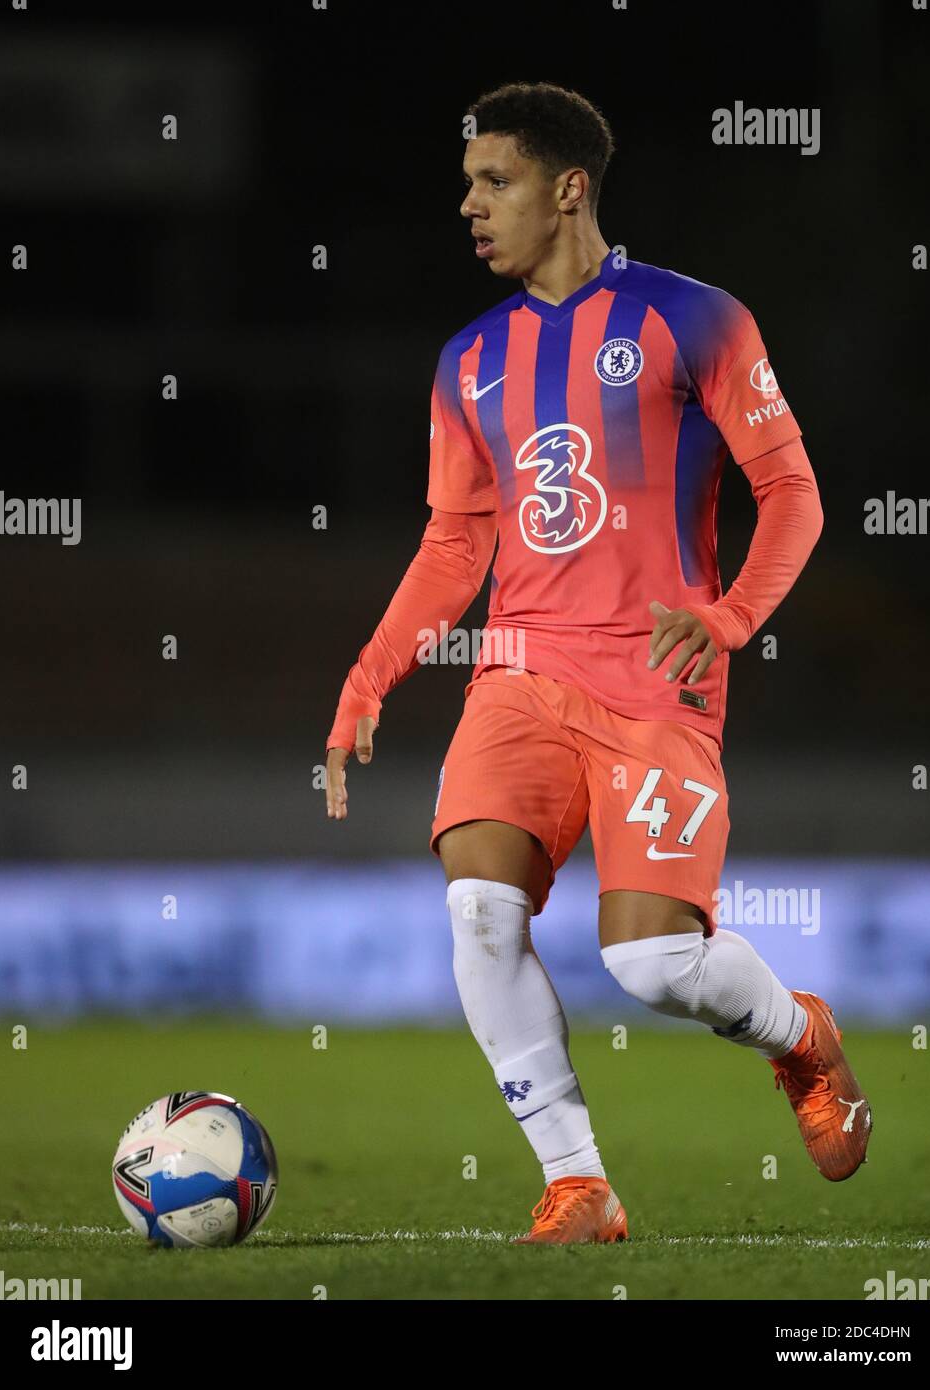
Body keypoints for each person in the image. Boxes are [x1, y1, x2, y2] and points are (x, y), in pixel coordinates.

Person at [326, 81, 871, 1244]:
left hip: (655, 683)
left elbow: (792, 495)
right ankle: (577, 1181)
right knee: (478, 908)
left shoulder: (695, 318)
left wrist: (727, 618)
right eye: (467, 181)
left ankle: (800, 1038)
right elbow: (454, 540)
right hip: (516, 675)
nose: (468, 204)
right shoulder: (468, 359)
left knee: (657, 964)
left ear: (568, 188)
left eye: (494, 180)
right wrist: (370, 675)